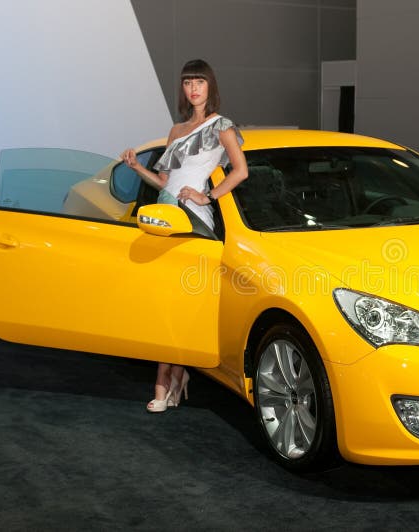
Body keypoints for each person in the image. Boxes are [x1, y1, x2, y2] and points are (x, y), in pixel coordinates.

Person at [120, 59, 248, 412]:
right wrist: (137, 168)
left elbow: (240, 171)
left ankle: (165, 384)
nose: (193, 88)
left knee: (181, 301)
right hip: (165, 213)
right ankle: (177, 375)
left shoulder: (222, 126)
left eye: (200, 82)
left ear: (211, 87)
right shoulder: (176, 130)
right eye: (188, 82)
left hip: (193, 218)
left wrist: (209, 195)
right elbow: (166, 182)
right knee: (165, 300)